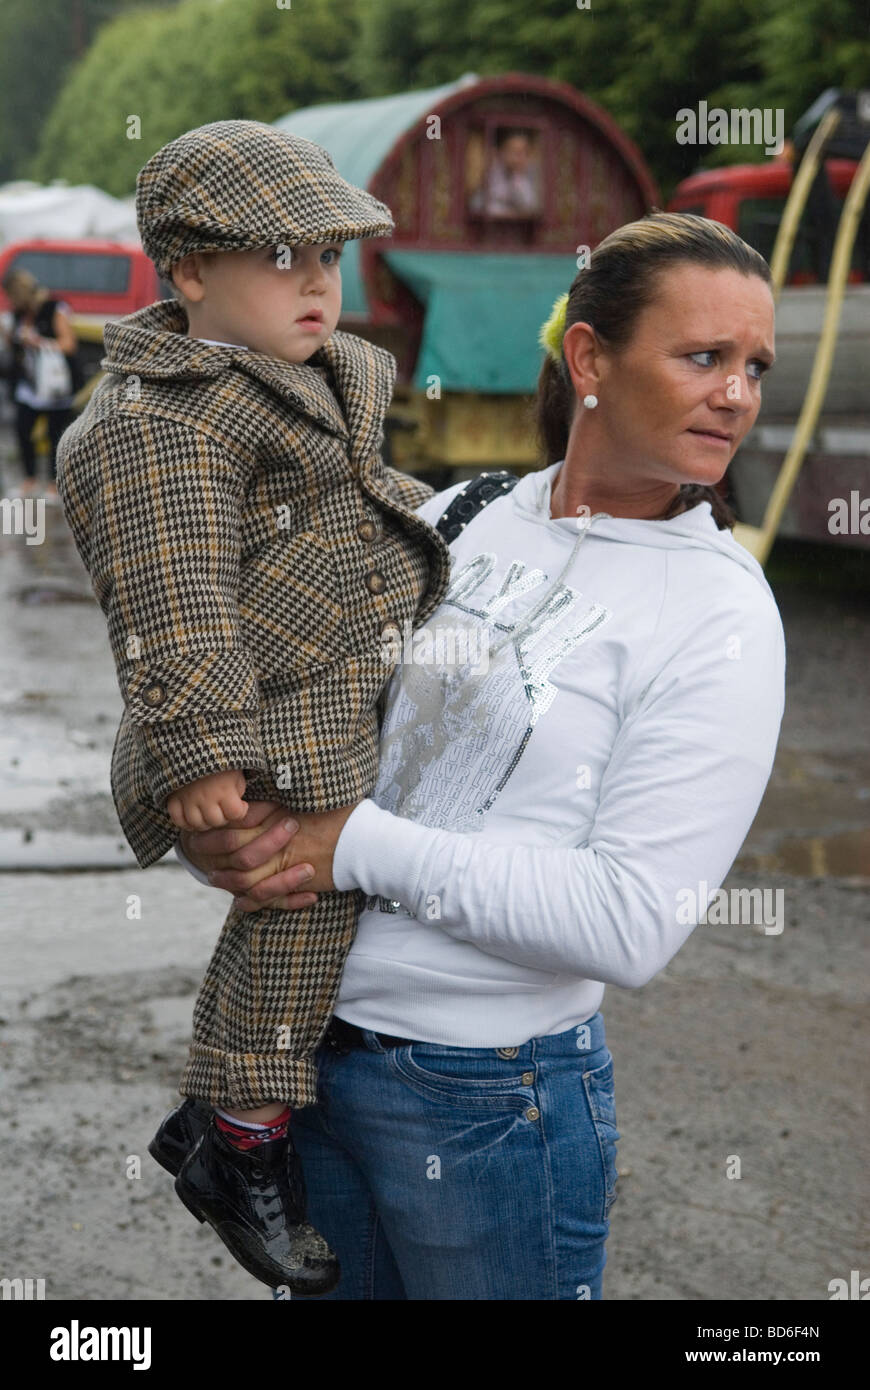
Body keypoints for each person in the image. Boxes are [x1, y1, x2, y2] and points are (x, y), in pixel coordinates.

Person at [171, 211, 787, 1300]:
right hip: (315, 1055)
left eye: (753, 367)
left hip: (494, 1100)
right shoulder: (463, 514)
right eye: (703, 357)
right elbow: (316, 725)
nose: (736, 393)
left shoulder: (720, 612)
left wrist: (352, 845)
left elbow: (630, 921)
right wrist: (227, 815)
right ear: (590, 357)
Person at [54, 119, 452, 1296]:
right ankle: (239, 1133)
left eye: (328, 257)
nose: (319, 283)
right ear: (187, 274)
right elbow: (173, 605)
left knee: (319, 899)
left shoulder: (303, 378)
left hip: (324, 674)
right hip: (256, 712)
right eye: (283, 258)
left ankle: (235, 1123)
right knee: (296, 895)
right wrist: (200, 755)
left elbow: (362, 495)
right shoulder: (157, 424)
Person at [1, 267, 81, 498]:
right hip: (29, 384)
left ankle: (54, 485)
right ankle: (29, 480)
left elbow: (69, 344)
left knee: (55, 433)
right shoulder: (18, 315)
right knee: (22, 428)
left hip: (56, 384)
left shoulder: (54, 308)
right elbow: (14, 346)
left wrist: (38, 342)